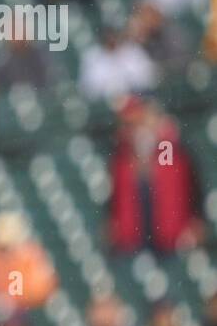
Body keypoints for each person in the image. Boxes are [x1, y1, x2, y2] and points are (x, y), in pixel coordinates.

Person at [106, 97, 205, 255]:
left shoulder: (170, 147)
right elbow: (115, 198)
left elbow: (191, 187)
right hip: (134, 237)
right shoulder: (121, 153)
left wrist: (196, 222)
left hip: (170, 235)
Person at [79, 28, 155, 102]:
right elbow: (89, 88)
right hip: (109, 104)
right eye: (107, 39)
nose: (111, 41)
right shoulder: (92, 57)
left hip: (138, 98)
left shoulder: (131, 49)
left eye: (113, 38)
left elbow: (148, 75)